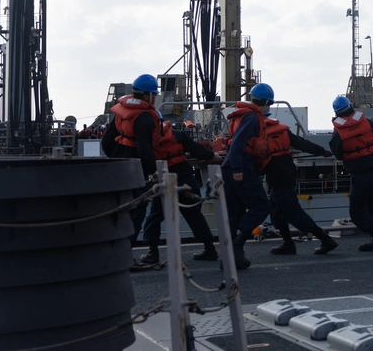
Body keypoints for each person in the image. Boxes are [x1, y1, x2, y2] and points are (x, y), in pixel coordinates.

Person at [258, 105, 338, 256]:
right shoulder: (282, 131)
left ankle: (325, 239)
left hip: (278, 178)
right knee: (277, 213)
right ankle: (288, 244)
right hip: (286, 174)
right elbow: (302, 144)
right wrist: (322, 151)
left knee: (294, 213)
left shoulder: (258, 134)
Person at [138, 128, 223, 265]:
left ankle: (153, 252)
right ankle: (210, 249)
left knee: (154, 218)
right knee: (195, 216)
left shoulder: (147, 140)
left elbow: (145, 160)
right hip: (185, 179)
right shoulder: (177, 135)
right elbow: (196, 149)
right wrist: (212, 155)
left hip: (164, 180)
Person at [108, 74, 165, 270]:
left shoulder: (120, 112)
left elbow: (106, 141)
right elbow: (144, 150)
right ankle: (125, 256)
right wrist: (152, 172)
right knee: (137, 212)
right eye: (154, 95)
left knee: (121, 211)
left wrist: (115, 159)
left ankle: (115, 253)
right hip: (136, 170)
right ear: (148, 95)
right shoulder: (145, 117)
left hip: (119, 165)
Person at [328, 95, 373, 251]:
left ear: (336, 112)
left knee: (357, 210)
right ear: (350, 107)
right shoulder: (366, 122)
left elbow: (338, 153)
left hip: (359, 174)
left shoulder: (339, 132)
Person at [221, 82, 275, 269]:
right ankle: (238, 241)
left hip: (229, 168)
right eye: (270, 104)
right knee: (262, 207)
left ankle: (229, 259)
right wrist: (238, 169)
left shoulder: (243, 115)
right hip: (241, 169)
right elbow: (237, 144)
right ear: (266, 102)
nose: (270, 108)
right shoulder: (252, 117)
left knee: (234, 212)